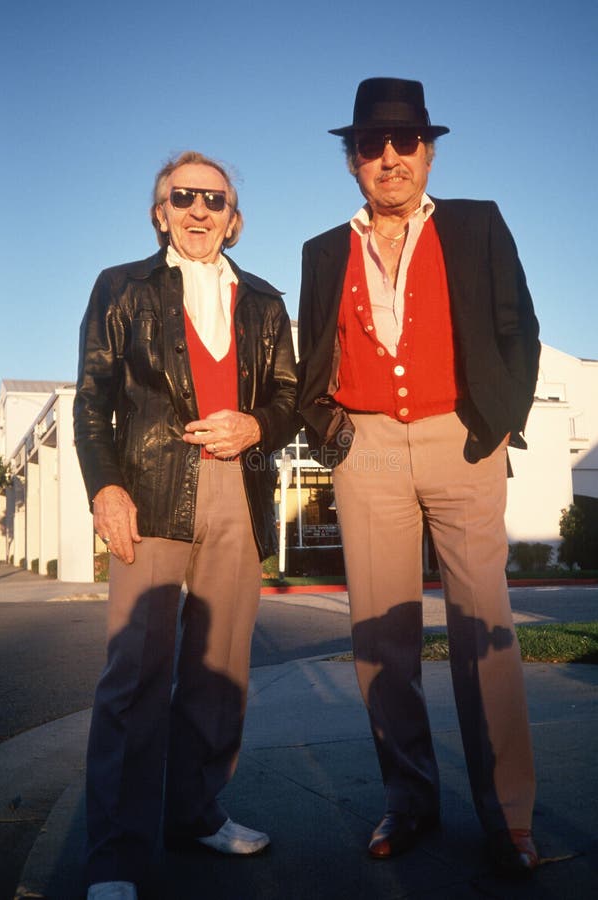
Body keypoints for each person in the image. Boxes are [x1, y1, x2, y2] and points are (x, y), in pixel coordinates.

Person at [298, 78, 540, 875]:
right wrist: (327, 430)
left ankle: (508, 815)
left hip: (461, 440)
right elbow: (312, 360)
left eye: (405, 142)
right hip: (364, 449)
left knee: (483, 632)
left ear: (427, 151)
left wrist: (500, 418)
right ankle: (408, 802)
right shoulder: (323, 250)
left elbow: (518, 327)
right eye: (372, 144)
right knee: (381, 638)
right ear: (352, 160)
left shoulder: (476, 224)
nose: (389, 157)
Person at [74, 150, 298, 900]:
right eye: (183, 196)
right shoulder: (122, 287)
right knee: (134, 675)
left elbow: (291, 400)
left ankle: (196, 814)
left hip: (239, 494)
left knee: (219, 671)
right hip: (148, 491)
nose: (199, 209)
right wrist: (105, 484)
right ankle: (114, 854)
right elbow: (91, 398)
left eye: (214, 199)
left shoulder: (266, 301)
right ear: (159, 210)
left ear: (234, 219)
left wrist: (256, 423)